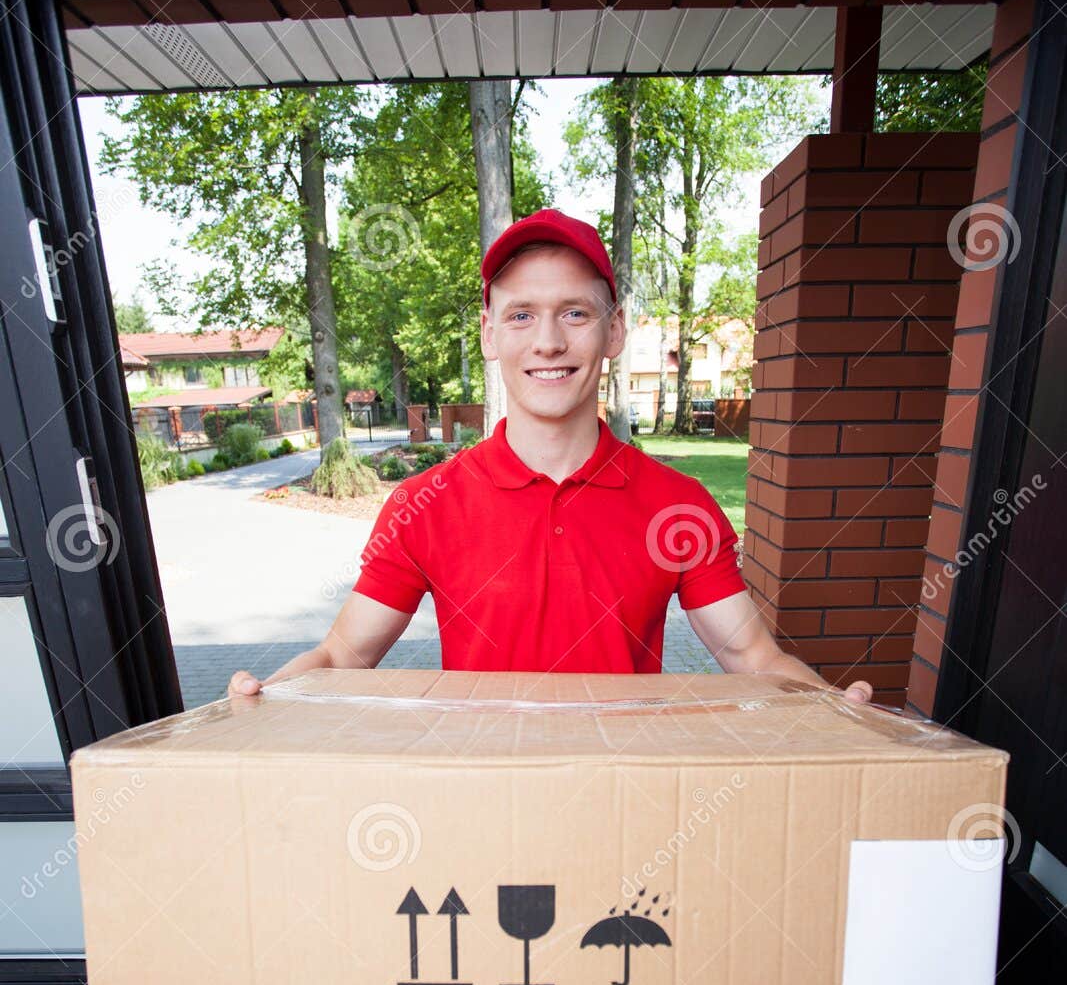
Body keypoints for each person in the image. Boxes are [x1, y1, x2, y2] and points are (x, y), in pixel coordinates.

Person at [228, 208, 873, 704]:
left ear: (613, 331)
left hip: (625, 814)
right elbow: (344, 656)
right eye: (520, 316)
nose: (547, 341)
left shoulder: (679, 507)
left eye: (574, 313)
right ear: (488, 335)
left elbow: (755, 661)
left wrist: (839, 710)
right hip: (485, 814)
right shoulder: (424, 504)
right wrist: (265, 699)